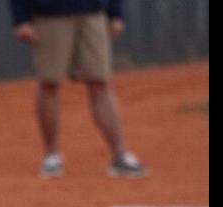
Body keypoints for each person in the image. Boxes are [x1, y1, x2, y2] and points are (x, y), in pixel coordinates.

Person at [10, 0, 148, 179]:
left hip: (93, 12)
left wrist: (116, 13)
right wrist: (20, 19)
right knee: (49, 83)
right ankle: (51, 156)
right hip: (49, 14)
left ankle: (120, 156)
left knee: (100, 82)